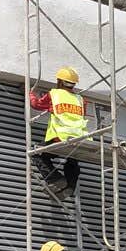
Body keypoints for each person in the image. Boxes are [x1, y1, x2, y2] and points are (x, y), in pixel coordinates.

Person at [29, 66, 88, 199]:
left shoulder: (54, 94)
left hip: (60, 137)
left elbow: (36, 104)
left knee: (38, 154)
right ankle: (70, 186)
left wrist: (30, 93)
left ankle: (56, 179)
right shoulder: (81, 100)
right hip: (79, 140)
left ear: (60, 81)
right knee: (72, 161)